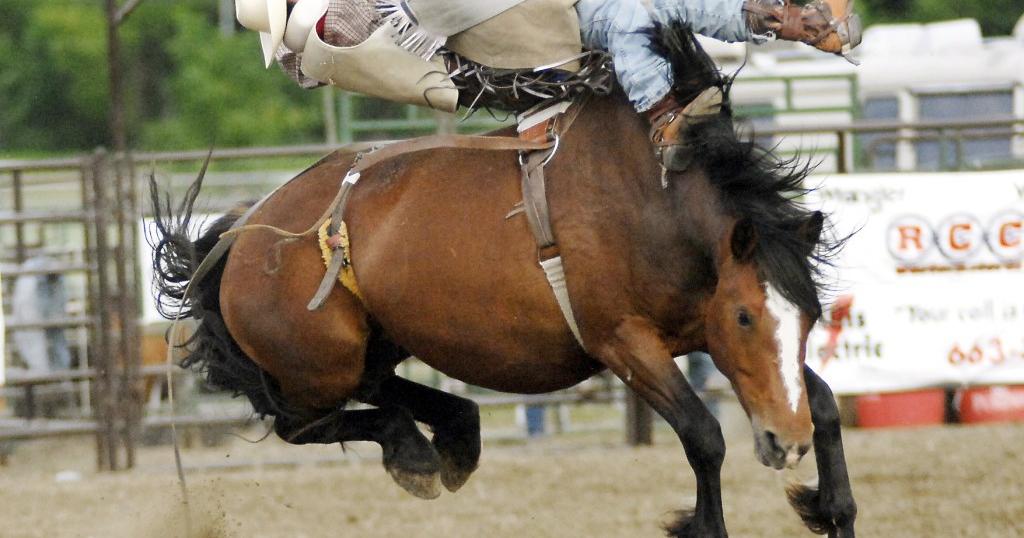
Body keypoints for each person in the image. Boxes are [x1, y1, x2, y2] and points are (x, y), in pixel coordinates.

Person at [235, 0, 860, 166]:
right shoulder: (339, 27)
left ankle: (784, 20)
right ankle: (666, 112)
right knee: (633, 12)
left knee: (645, 8)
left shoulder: (327, 46)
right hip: (520, 46)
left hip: (512, 51)